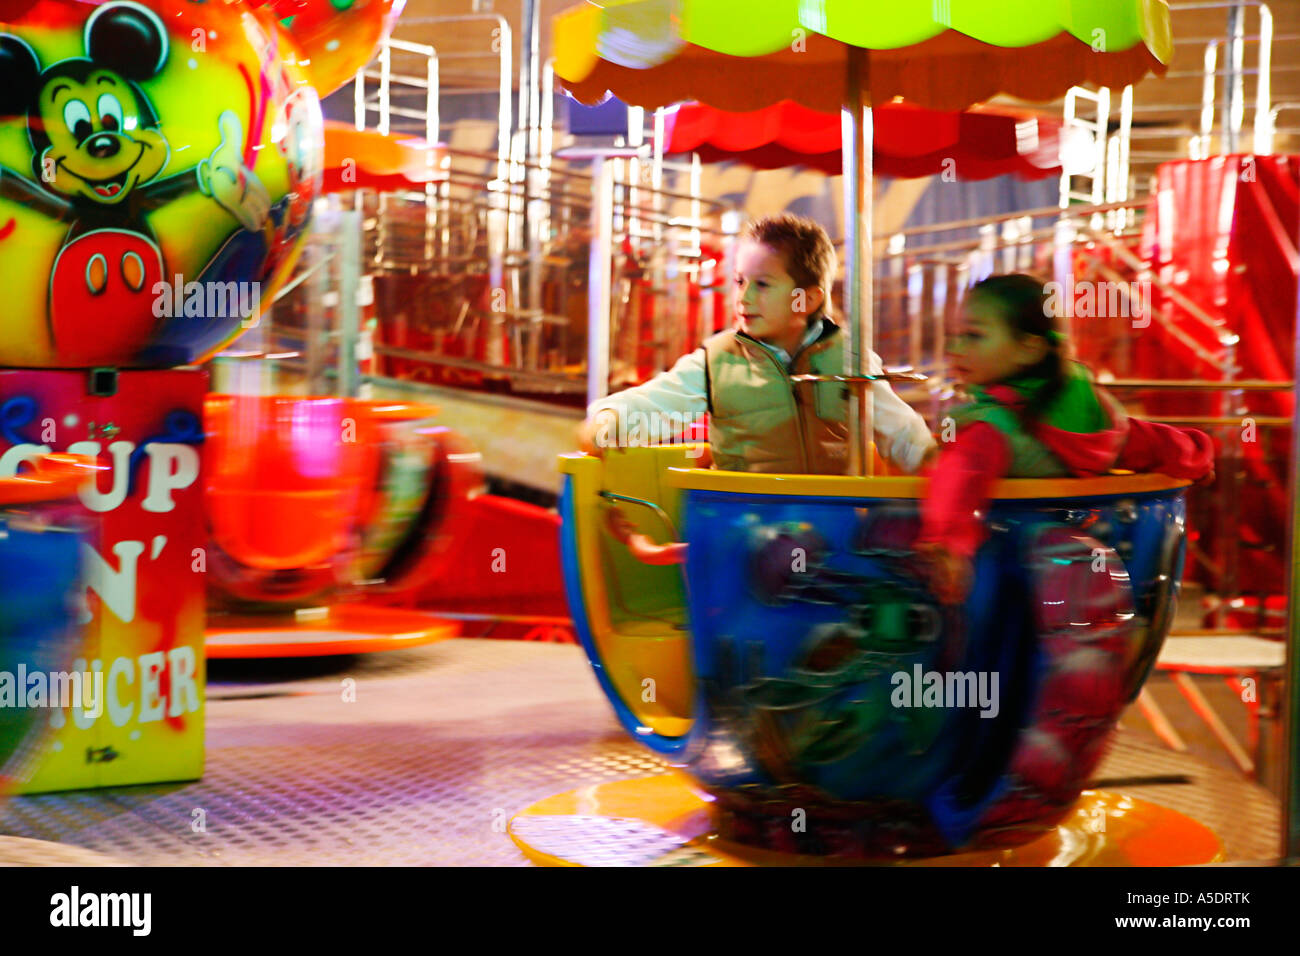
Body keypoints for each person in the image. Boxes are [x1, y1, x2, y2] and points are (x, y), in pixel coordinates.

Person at [917, 273, 1215, 604]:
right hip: (1098, 548)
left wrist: (945, 543)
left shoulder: (987, 427)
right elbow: (1150, 441)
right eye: (954, 336)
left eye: (973, 336)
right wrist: (1197, 459)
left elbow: (957, 477)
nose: (955, 348)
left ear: (1029, 349)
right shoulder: (1089, 411)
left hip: (1014, 571)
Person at [577, 213, 936, 475]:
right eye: (739, 282)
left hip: (832, 522)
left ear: (806, 300)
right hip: (744, 522)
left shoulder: (850, 361)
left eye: (762, 285)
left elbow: (902, 432)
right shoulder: (717, 361)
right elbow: (655, 405)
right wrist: (611, 420)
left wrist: (935, 463)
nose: (744, 298)